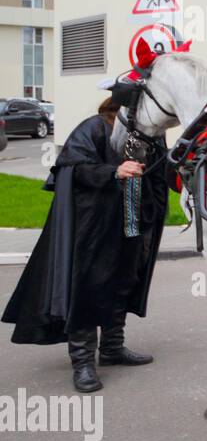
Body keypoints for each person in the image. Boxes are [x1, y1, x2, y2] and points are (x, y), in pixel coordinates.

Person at [3, 96, 170, 392]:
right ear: (120, 111)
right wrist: (113, 172)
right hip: (95, 229)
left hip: (132, 225)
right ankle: (82, 363)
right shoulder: (93, 128)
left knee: (124, 284)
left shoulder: (149, 136)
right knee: (90, 289)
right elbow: (73, 170)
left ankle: (112, 349)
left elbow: (159, 172)